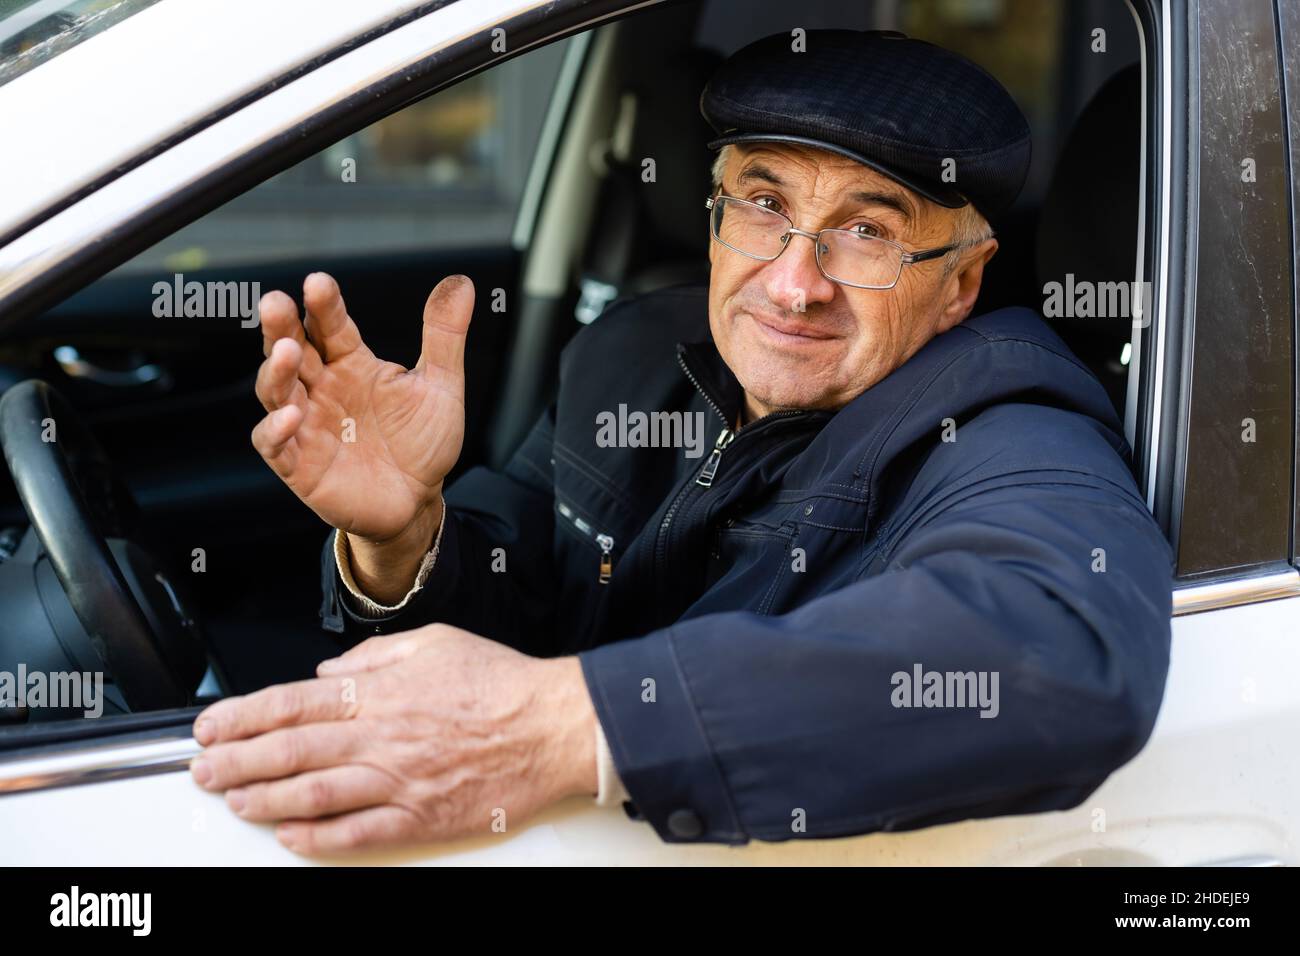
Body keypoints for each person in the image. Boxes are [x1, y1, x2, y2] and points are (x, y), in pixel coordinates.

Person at [189, 29, 1172, 854]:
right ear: (713, 220)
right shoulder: (630, 356)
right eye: (763, 206)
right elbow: (528, 593)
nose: (795, 282)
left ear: (959, 284)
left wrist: (562, 726)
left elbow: (1060, 657)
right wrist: (406, 540)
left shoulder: (1007, 432)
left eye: (867, 232)